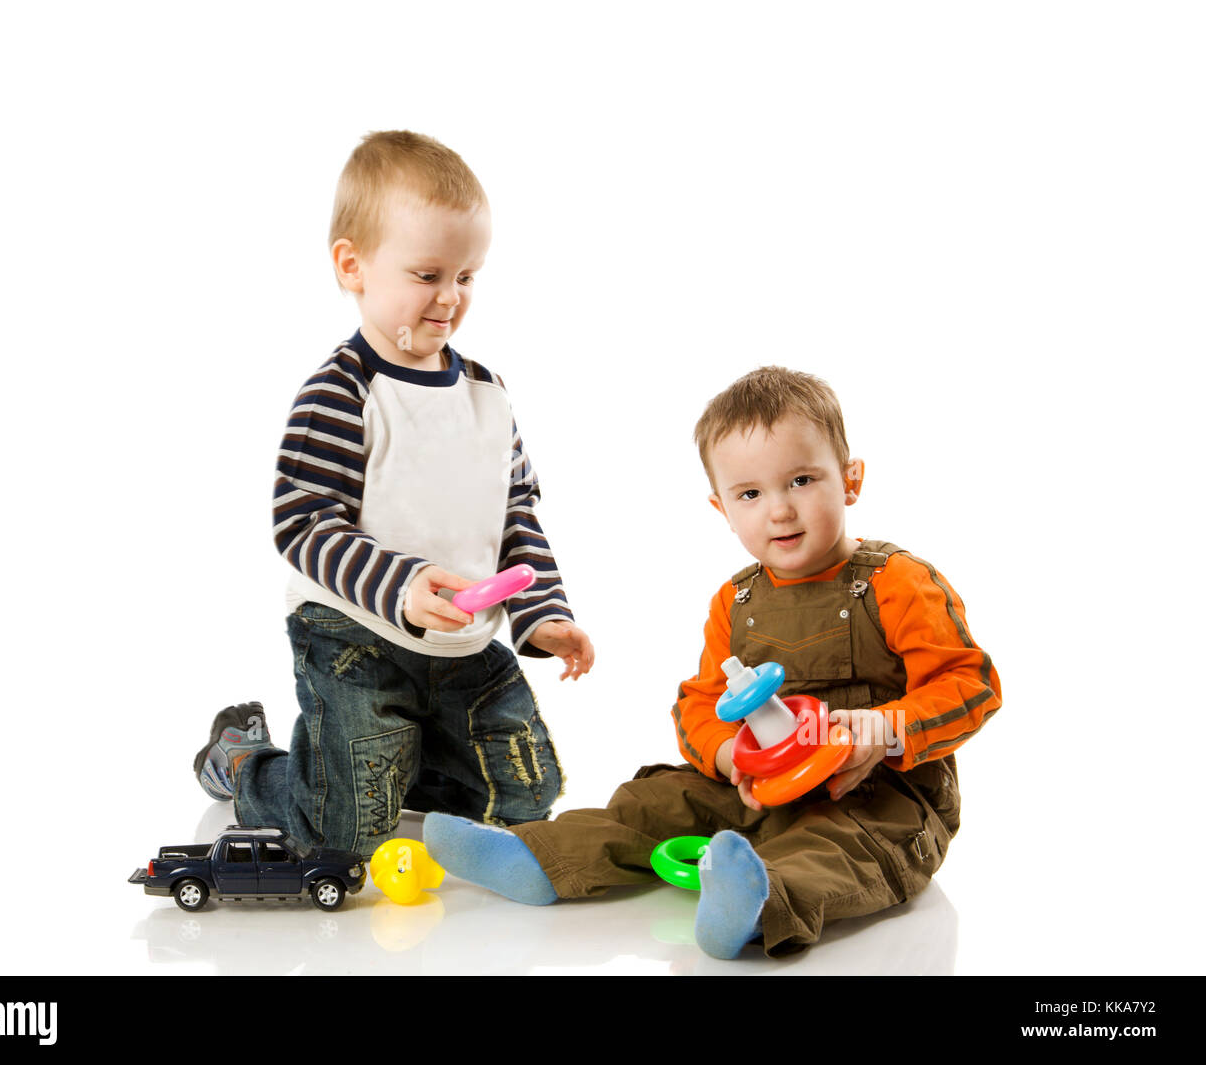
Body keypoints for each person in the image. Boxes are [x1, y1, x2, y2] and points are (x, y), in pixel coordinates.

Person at [423, 365, 1001, 958]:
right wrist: (728, 756)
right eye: (751, 493)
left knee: (835, 851)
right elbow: (702, 701)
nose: (779, 511)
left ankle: (755, 901)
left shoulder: (897, 583)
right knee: (658, 800)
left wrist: (889, 730)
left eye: (801, 480)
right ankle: (537, 857)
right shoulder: (738, 601)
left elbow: (971, 684)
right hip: (764, 785)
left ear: (849, 480)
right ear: (721, 507)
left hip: (879, 795)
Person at [192, 130, 595, 857]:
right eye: (428, 273)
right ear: (353, 266)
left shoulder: (487, 393)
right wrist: (402, 585)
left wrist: (540, 616)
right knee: (344, 834)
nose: (451, 298)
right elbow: (302, 525)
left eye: (468, 276)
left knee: (528, 798)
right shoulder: (342, 393)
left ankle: (397, 761)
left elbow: (517, 516)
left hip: (463, 644)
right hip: (356, 639)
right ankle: (245, 761)